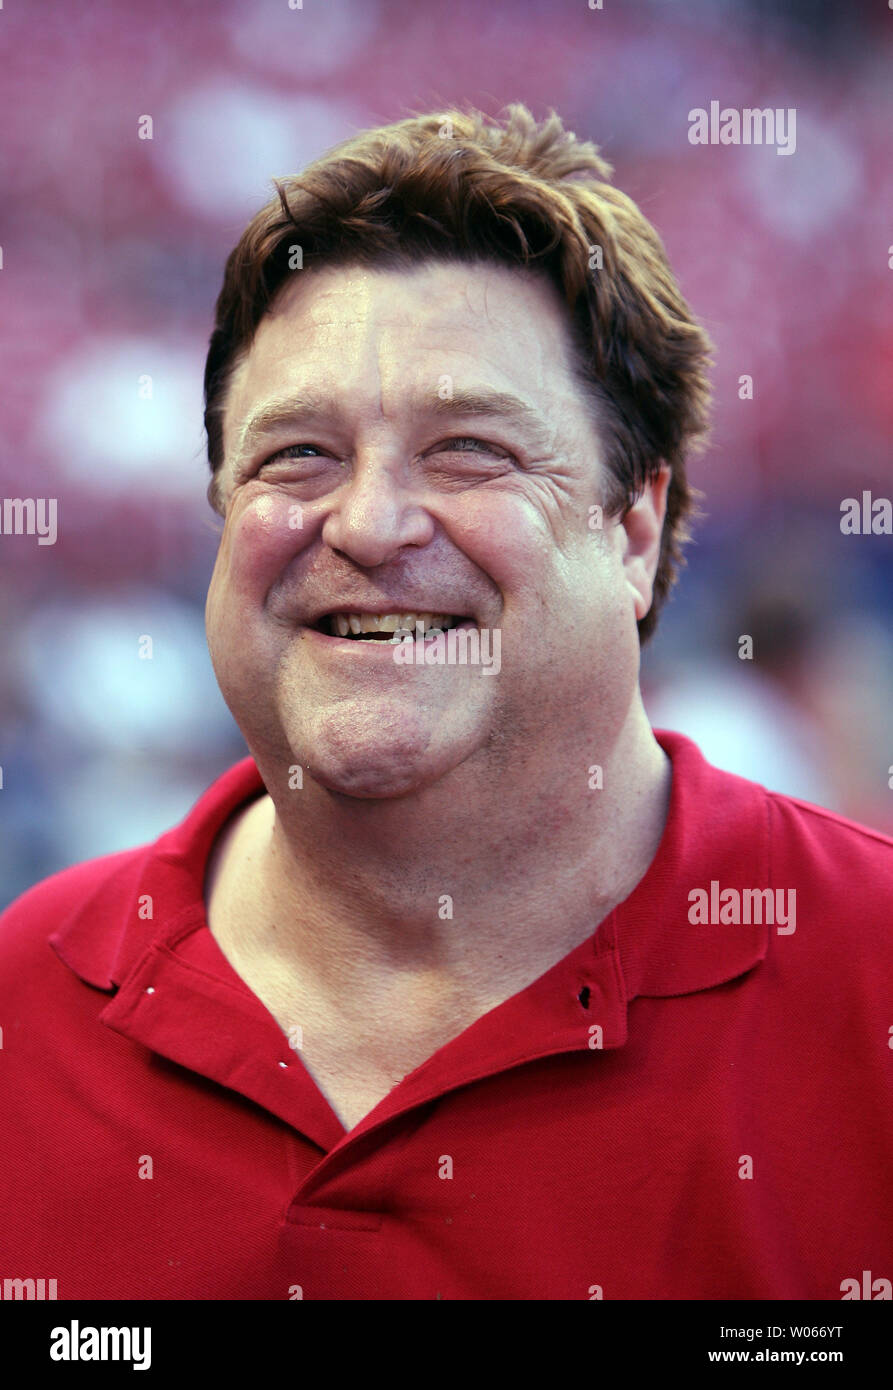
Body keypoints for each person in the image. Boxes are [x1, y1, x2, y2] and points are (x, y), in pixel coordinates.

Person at [1, 105, 891, 1302]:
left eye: (468, 449)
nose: (367, 524)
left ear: (631, 531)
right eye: (295, 455)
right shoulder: (25, 1008)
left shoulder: (867, 986)